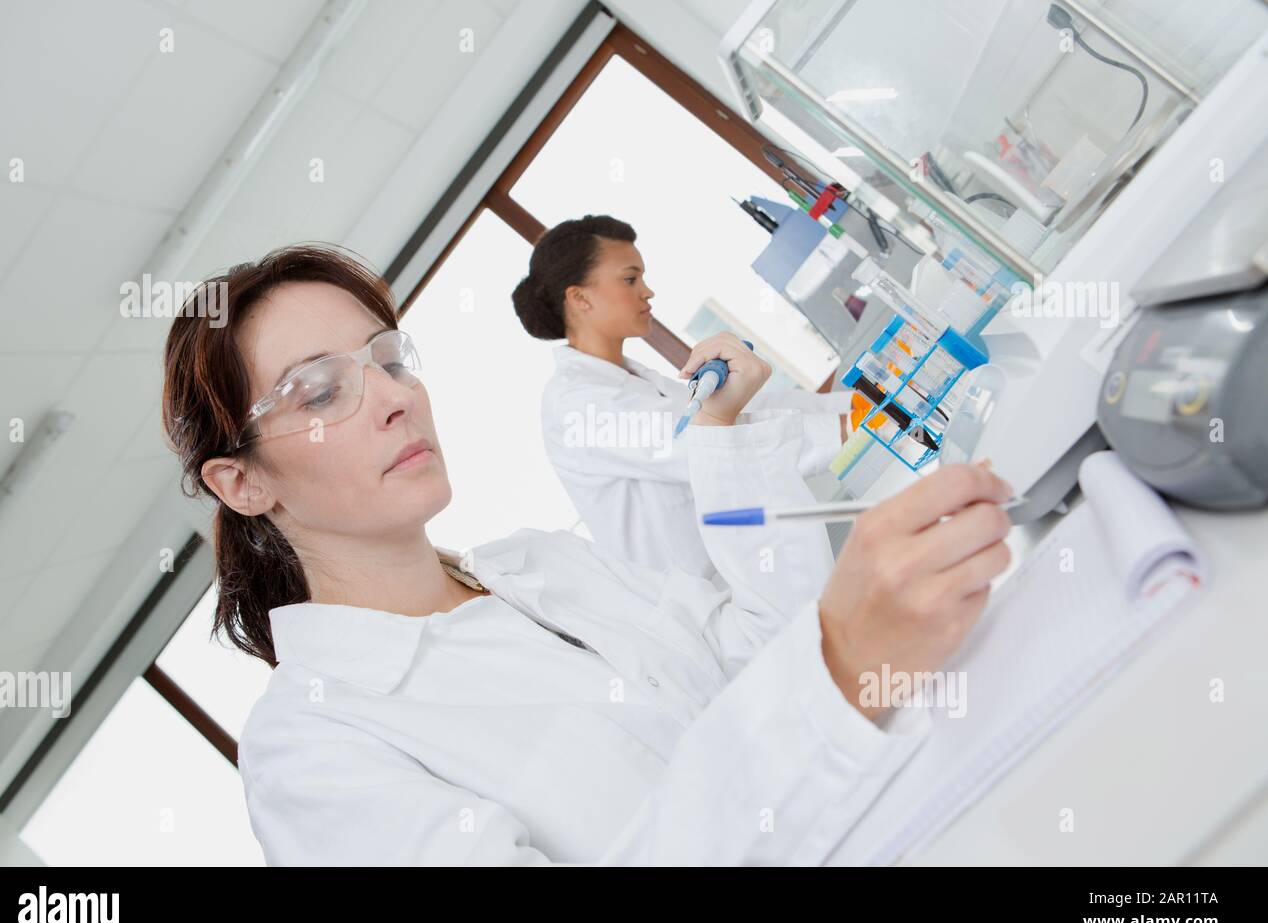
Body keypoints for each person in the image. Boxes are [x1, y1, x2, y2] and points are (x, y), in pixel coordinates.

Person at [162, 243, 1014, 865]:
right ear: (242, 484)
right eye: (318, 389)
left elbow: (767, 650)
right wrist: (838, 677)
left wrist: (857, 634)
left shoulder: (542, 567)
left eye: (389, 359)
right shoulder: (312, 747)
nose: (392, 397)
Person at [513, 214, 853, 579]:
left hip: (757, 571)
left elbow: (753, 410)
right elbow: (712, 449)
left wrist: (856, 408)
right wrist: (846, 429)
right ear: (580, 297)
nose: (647, 291)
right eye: (630, 279)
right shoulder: (576, 406)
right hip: (720, 602)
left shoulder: (636, 380)